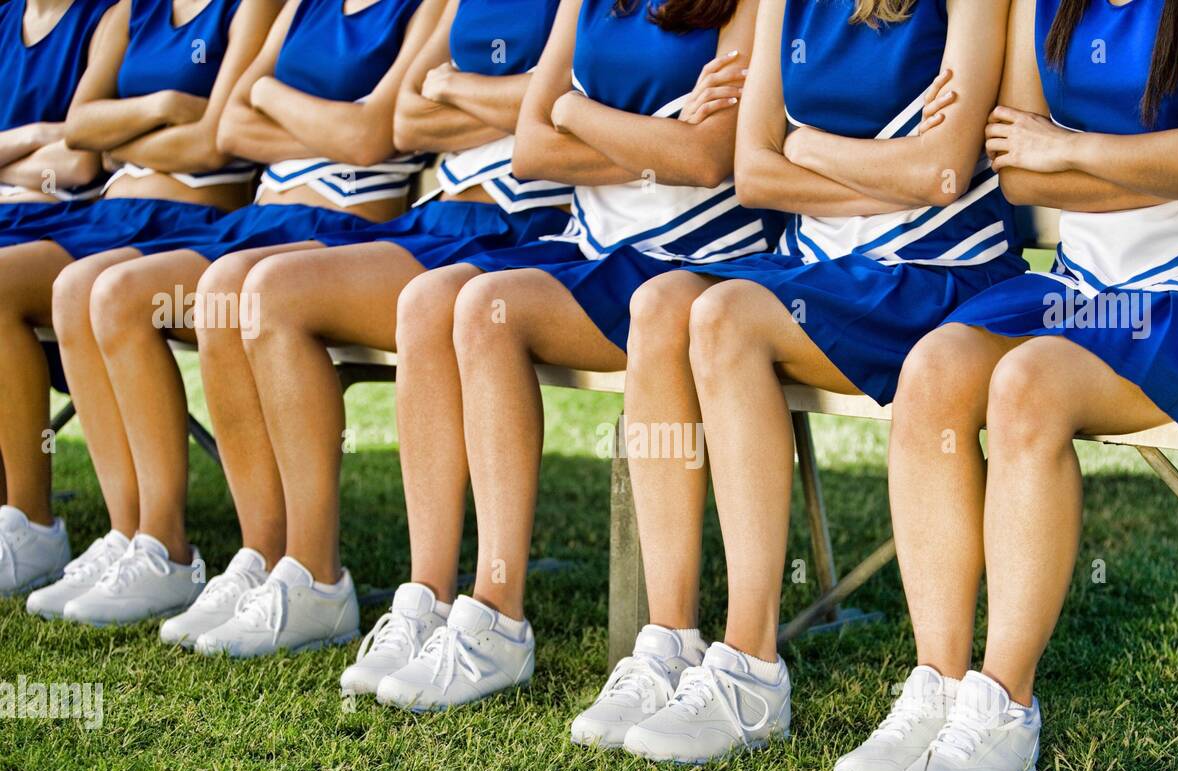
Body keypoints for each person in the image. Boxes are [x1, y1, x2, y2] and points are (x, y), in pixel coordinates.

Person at [563, 0, 1026, 763]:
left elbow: (940, 175)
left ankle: (751, 670)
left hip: (935, 274)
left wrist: (804, 145)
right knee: (658, 308)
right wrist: (868, 166)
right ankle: (670, 643)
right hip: (818, 274)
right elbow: (753, 173)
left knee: (722, 321)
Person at [880, 0, 1178, 771]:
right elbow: (1018, 171)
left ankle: (1004, 709)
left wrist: (1071, 147)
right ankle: (937, 688)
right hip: (1085, 294)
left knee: (1027, 384)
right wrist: (1166, 156)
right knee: (932, 369)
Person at [368, 0, 777, 714]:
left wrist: (572, 110)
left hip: (700, 258)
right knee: (444, 303)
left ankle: (670, 638)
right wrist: (654, 135)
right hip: (591, 249)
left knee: (624, 310)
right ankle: (474, 611)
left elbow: (709, 159)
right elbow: (532, 149)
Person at [33, 0, 442, 631]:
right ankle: (195, 548)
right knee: (100, 293)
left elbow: (370, 137)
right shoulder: (302, 6)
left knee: (228, 288)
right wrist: (319, 121)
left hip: (342, 230)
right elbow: (231, 128)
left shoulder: (419, 8)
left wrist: (269, 93)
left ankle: (305, 573)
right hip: (258, 223)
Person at [191, 0, 572, 659]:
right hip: (436, 222)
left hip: (526, 231)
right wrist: (498, 102)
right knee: (231, 290)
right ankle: (277, 562)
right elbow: (406, 116)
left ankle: (325, 580)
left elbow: (552, 104)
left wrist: (451, 87)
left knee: (276, 294)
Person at [0, 0, 275, 603]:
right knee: (62, 287)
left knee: (103, 291)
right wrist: (165, 108)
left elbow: (213, 144)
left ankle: (165, 544)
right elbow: (80, 128)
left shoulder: (254, 6)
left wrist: (126, 139)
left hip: (193, 219)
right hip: (106, 217)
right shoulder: (130, 11)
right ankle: (116, 534)